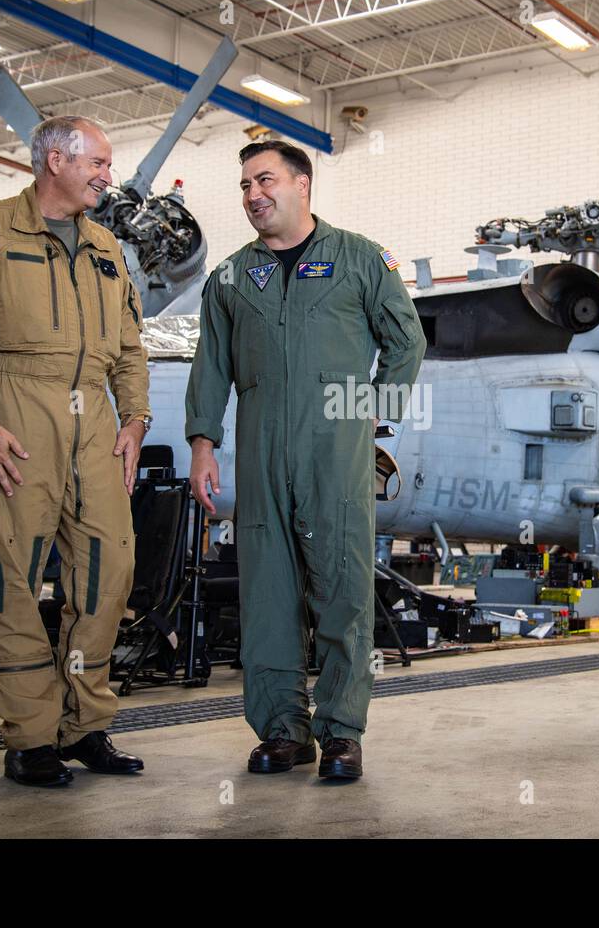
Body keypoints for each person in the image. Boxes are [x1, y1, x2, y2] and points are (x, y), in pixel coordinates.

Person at [185, 140, 426, 780]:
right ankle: (283, 730)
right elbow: (211, 365)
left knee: (343, 588)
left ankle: (341, 731)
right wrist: (203, 443)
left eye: (264, 180)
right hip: (261, 448)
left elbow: (407, 338)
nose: (253, 194)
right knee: (268, 592)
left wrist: (377, 409)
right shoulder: (231, 276)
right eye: (244, 185)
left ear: (302, 184)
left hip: (335, 448)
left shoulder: (361, 259)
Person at [0, 116, 152, 787]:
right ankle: (30, 737)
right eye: (98, 163)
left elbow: (131, 345)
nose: (108, 177)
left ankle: (84, 725)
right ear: (56, 160)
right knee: (15, 576)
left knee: (110, 570)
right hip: (16, 410)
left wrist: (135, 418)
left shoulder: (107, 245)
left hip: (95, 419)